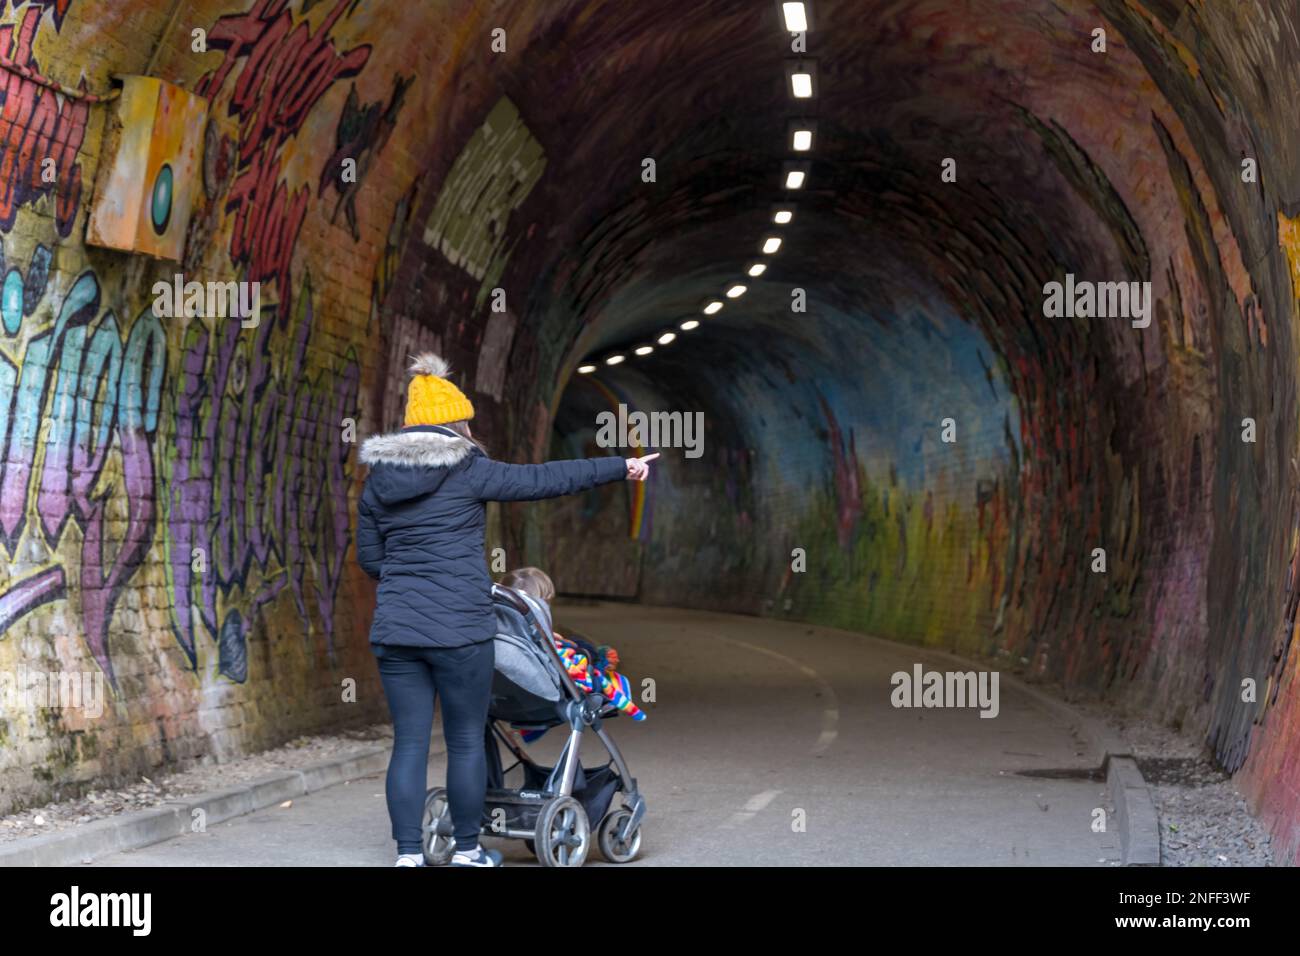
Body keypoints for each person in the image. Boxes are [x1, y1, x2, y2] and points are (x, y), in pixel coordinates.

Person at [356, 354, 657, 867]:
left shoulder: (378, 481)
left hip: (397, 633)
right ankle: (469, 851)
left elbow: (371, 561)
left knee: (407, 744)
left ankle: (408, 856)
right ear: (457, 423)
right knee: (467, 739)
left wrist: (412, 584)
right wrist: (618, 467)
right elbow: (542, 480)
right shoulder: (469, 468)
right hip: (460, 632)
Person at [499, 566, 646, 735]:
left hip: (505, 700)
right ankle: (601, 661)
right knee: (583, 648)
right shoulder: (540, 642)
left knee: (572, 643)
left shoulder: (503, 638)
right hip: (546, 694)